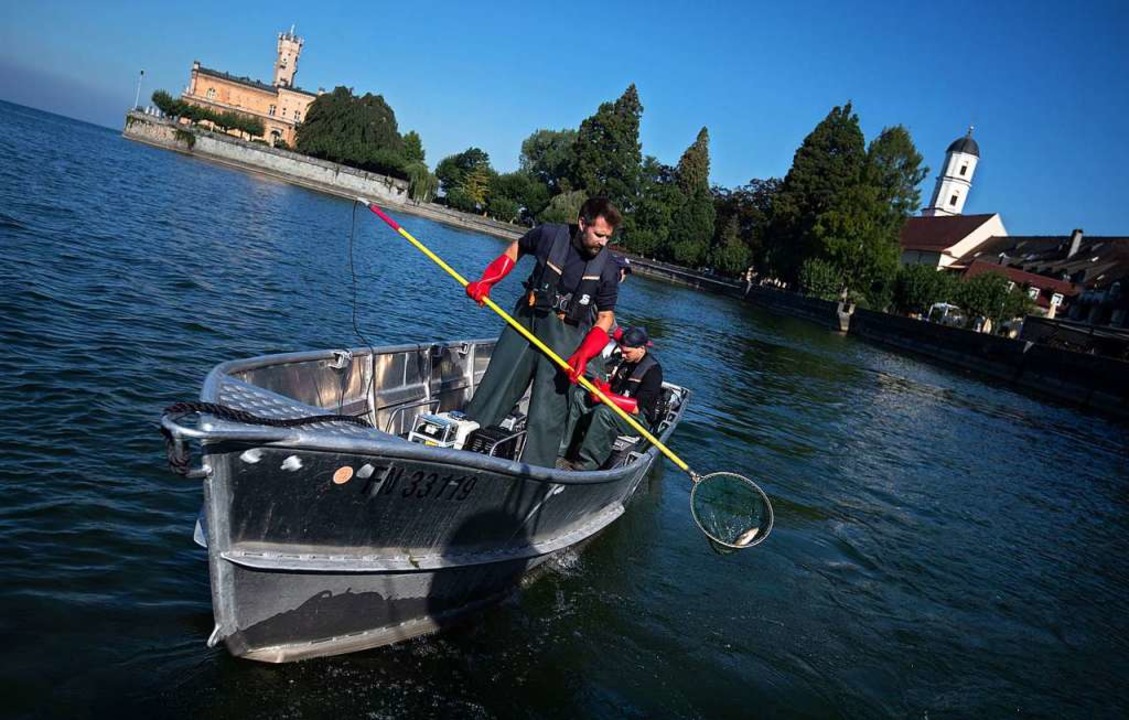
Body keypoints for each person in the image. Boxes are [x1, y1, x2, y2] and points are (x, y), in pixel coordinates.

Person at [462, 197, 623, 468]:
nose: (603, 242)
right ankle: (466, 446)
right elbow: (517, 248)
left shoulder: (608, 268)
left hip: (566, 338)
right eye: (599, 234)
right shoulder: (548, 234)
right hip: (525, 323)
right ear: (582, 223)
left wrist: (585, 354)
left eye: (608, 237)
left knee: (548, 414)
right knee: (494, 389)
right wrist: (487, 281)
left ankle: (535, 472)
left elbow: (605, 317)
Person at [560, 326, 664, 471]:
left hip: (638, 419)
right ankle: (562, 450)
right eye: (622, 351)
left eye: (627, 352)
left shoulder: (653, 371)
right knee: (579, 396)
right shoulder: (626, 362)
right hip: (615, 406)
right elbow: (613, 388)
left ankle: (587, 463)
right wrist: (599, 387)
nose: (623, 355)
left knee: (603, 413)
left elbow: (636, 408)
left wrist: (604, 397)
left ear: (641, 349)